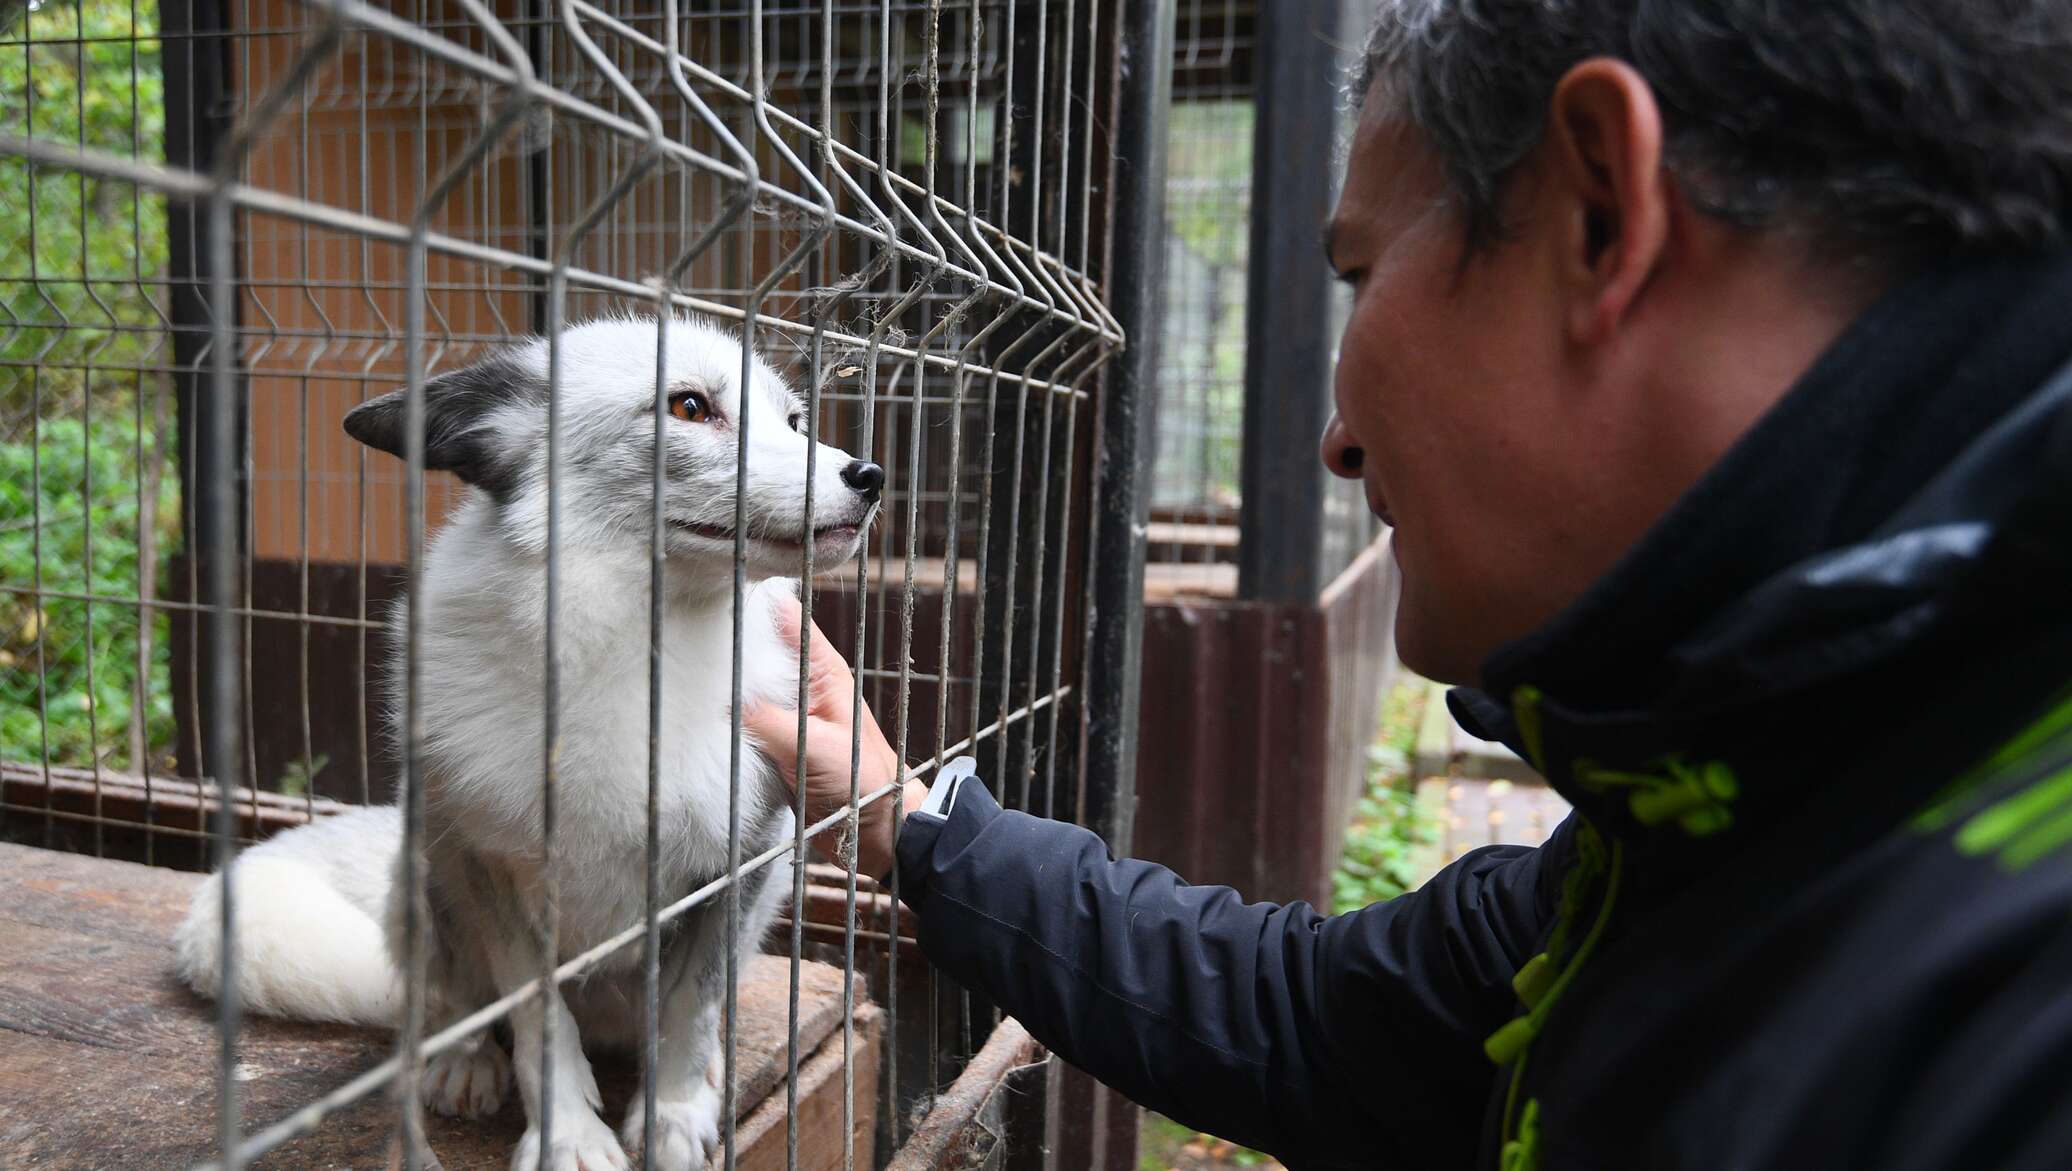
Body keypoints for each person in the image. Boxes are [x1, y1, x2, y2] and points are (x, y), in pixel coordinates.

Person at [744, 2, 2072, 1167]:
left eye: (1362, 274)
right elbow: (1325, 1023)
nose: (1336, 442)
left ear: (1602, 212)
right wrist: (907, 819)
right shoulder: (1755, 784)